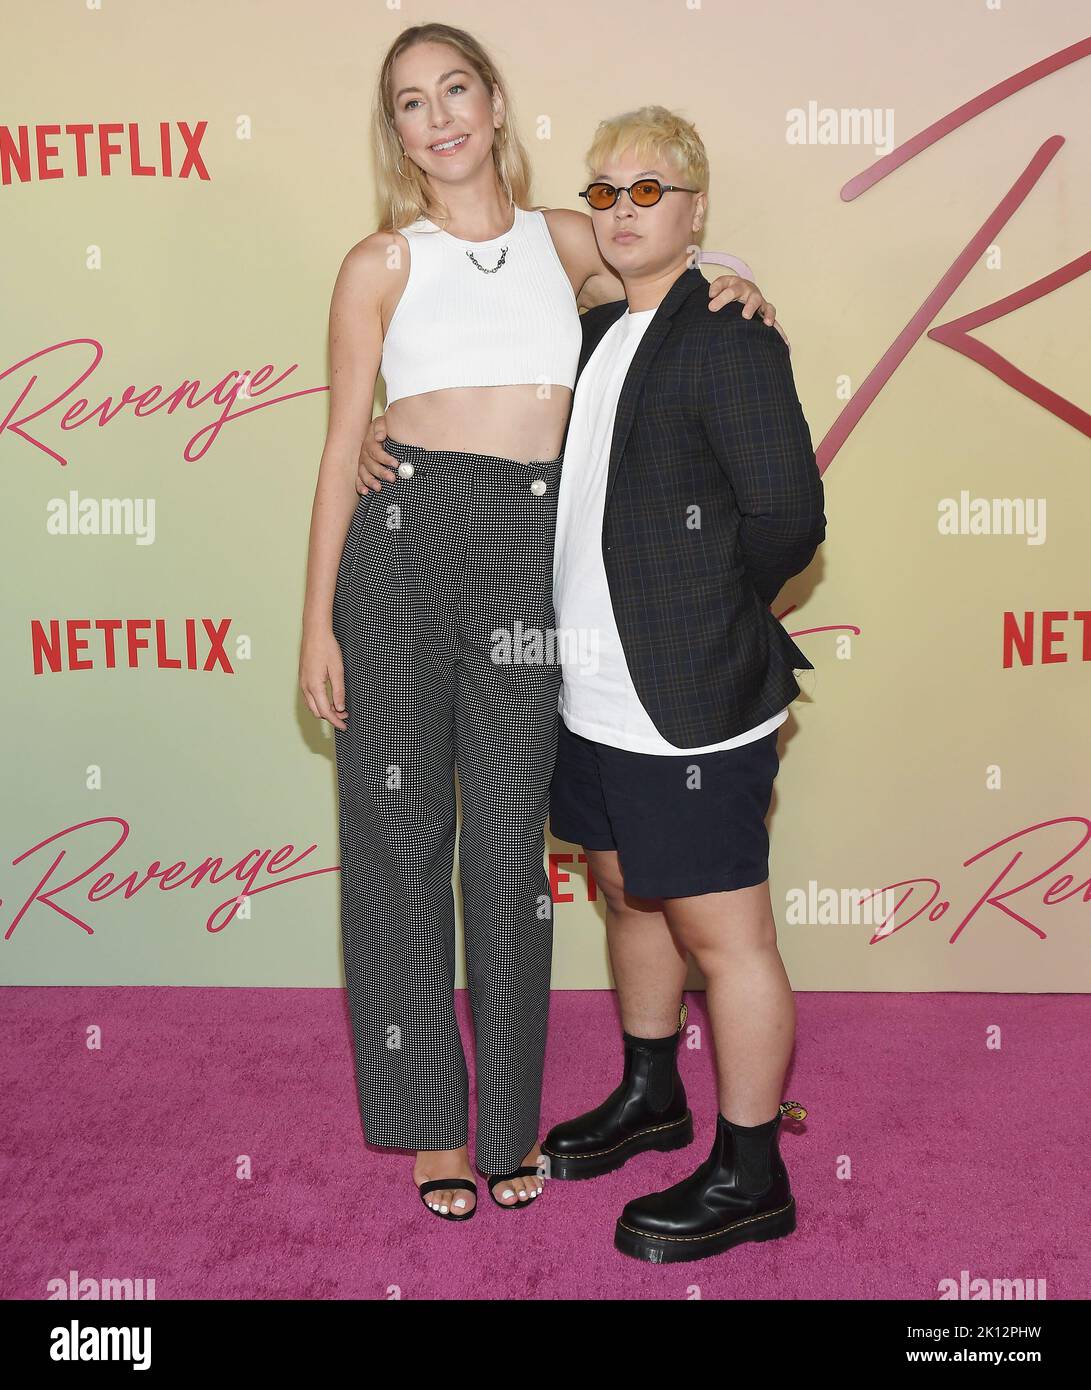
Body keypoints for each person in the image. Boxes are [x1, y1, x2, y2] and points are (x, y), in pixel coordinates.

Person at [305, 21, 778, 1222]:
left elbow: (661, 265)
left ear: (496, 104)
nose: (439, 115)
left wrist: (732, 272)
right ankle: (427, 1127)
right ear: (396, 131)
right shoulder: (377, 264)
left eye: (455, 87)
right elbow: (335, 445)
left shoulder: (563, 239)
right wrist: (316, 621)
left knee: (515, 844)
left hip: (528, 558)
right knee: (398, 837)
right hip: (400, 552)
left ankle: (507, 1123)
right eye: (411, 102)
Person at [540, 105, 825, 1263]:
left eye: (646, 190)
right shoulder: (595, 330)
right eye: (601, 191)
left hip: (689, 694)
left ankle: (753, 1173)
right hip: (587, 692)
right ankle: (653, 1095)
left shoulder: (730, 333)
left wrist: (707, 612)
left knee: (728, 937)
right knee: (623, 891)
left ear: (695, 210)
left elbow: (789, 519)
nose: (618, 210)